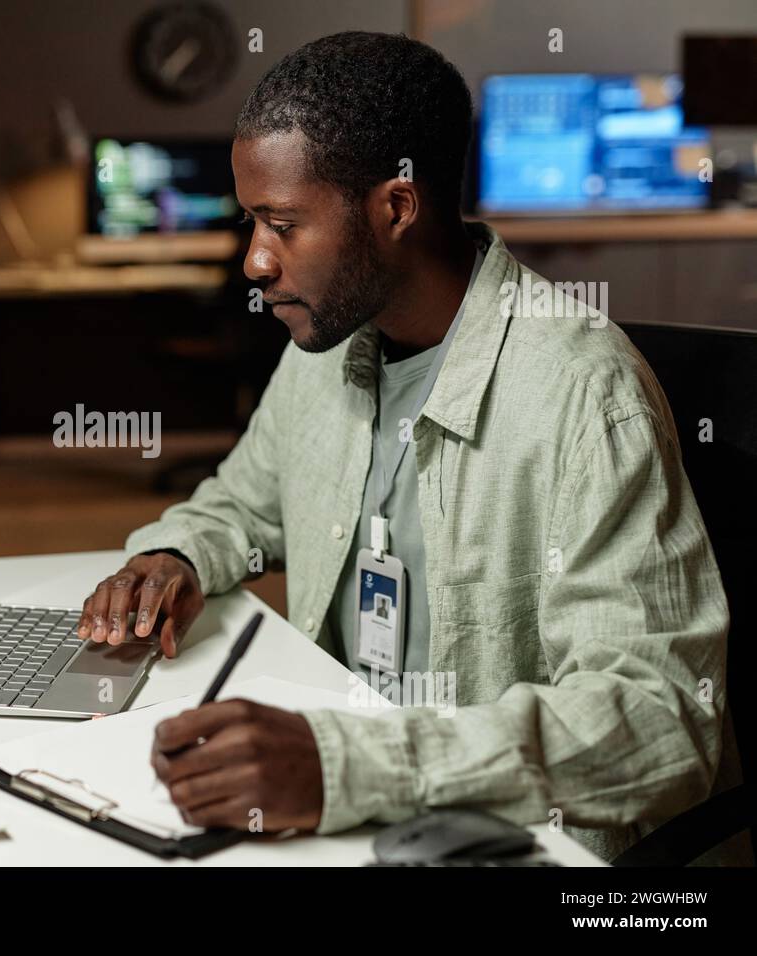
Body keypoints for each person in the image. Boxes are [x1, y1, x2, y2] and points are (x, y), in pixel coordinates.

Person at [75, 32, 747, 864]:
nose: (254, 260)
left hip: (505, 837)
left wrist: (353, 765)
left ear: (396, 208)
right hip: (354, 801)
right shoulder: (324, 346)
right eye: (253, 222)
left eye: (283, 225)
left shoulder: (584, 396)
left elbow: (661, 721)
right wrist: (176, 555)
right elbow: (244, 502)